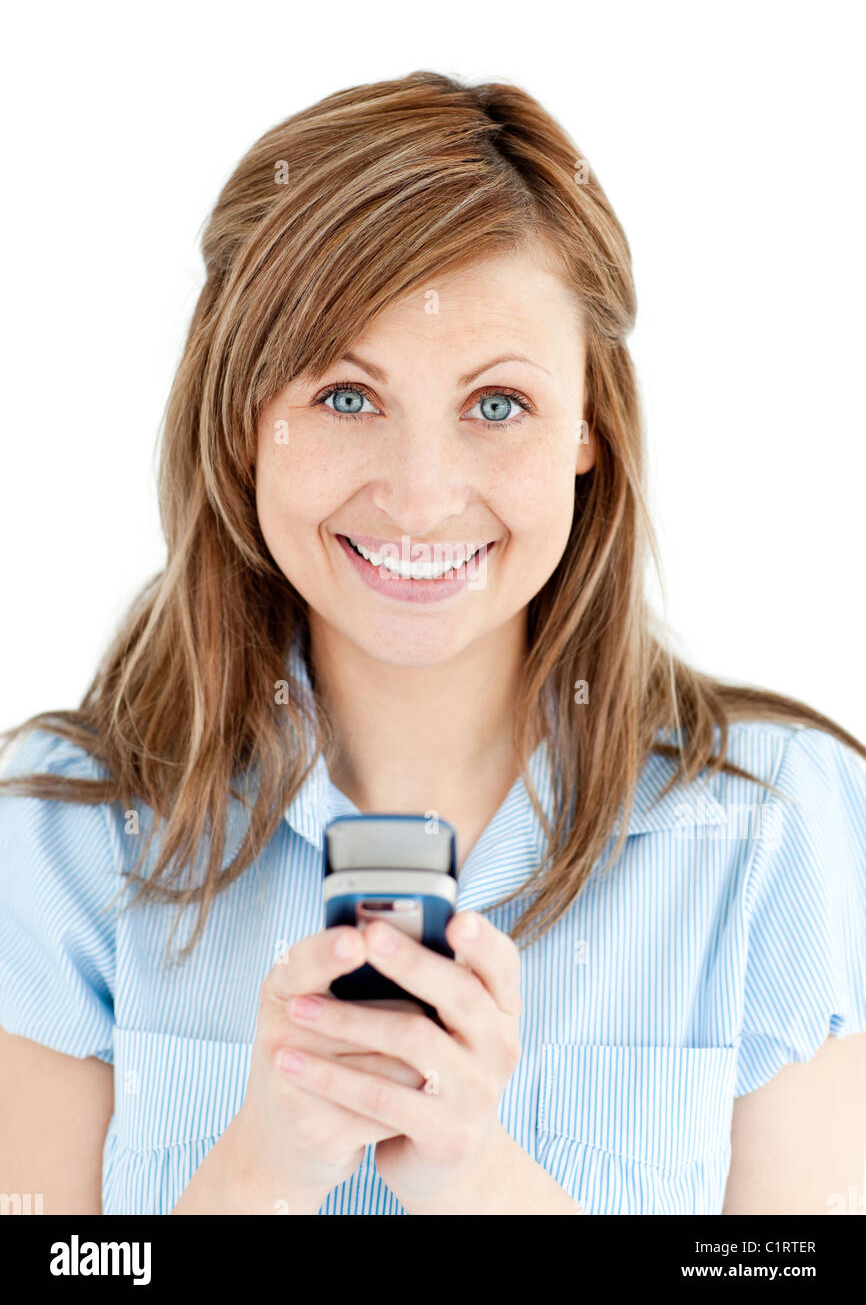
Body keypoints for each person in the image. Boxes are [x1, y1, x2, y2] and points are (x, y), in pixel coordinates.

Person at [1, 71, 865, 1216]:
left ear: (586, 430)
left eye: (495, 403)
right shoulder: (59, 840)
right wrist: (261, 1170)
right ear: (242, 422)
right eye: (346, 396)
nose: (418, 499)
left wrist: (481, 1181)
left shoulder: (775, 832)